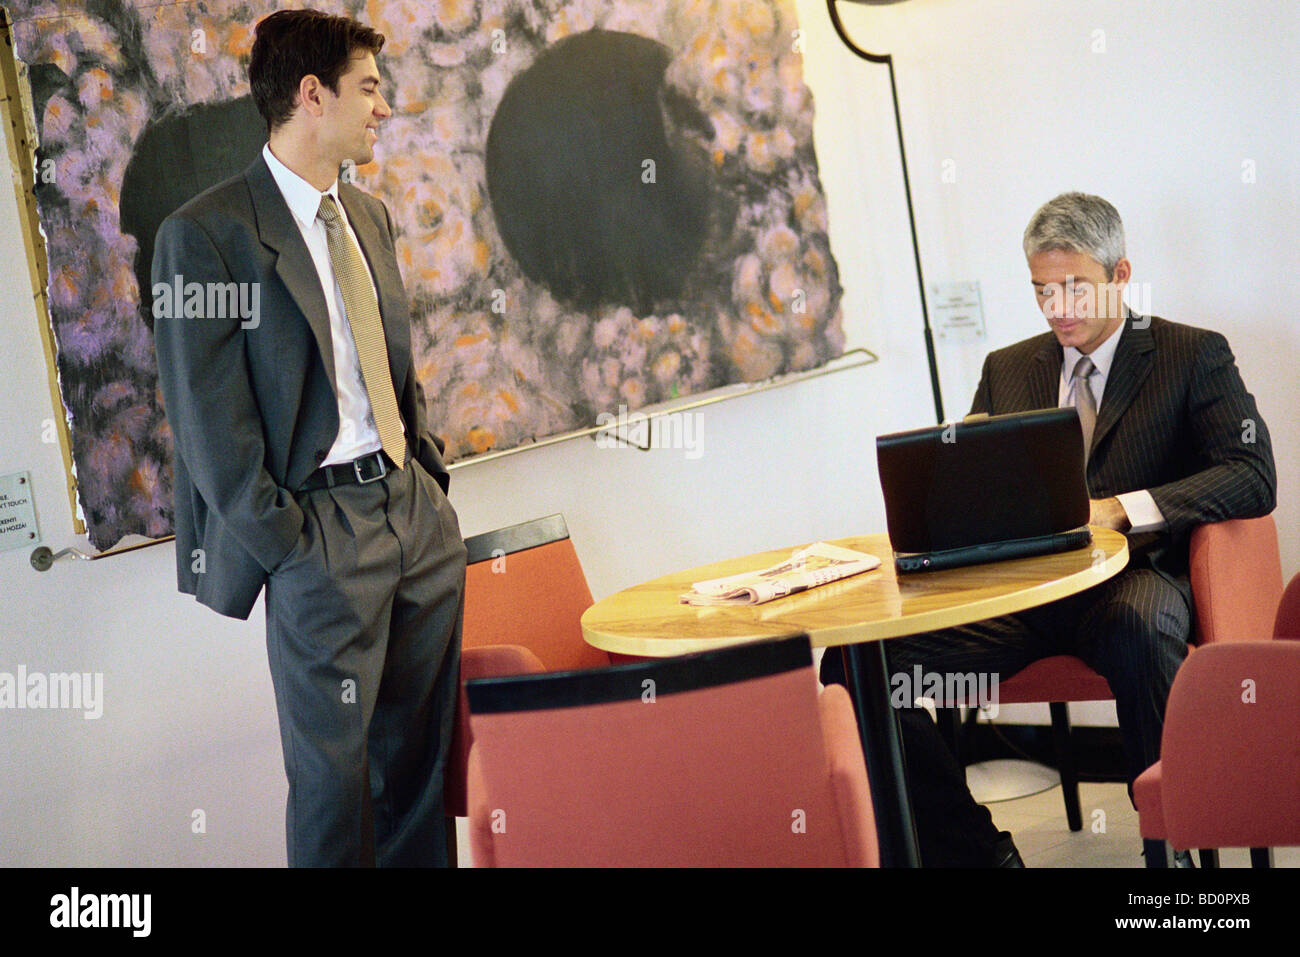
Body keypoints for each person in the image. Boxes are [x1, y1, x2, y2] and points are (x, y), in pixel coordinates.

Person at [824, 192, 1276, 866]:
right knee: (857, 664)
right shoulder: (1008, 369)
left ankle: (1171, 854)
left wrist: (1124, 508)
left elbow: (1252, 473)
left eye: (1072, 288)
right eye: (1041, 290)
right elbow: (967, 486)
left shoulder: (1191, 354)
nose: (1056, 308)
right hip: (1024, 602)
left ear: (1121, 275)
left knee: (1140, 629)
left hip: (1132, 584)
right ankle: (975, 853)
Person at [151, 9, 466, 867]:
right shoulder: (203, 237)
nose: (385, 108)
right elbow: (209, 427)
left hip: (414, 519)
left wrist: (427, 484)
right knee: (334, 792)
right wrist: (291, 548)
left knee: (424, 777)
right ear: (312, 94)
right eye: (370, 88)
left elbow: (393, 373)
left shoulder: (370, 217)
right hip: (319, 539)